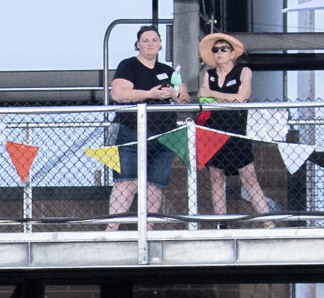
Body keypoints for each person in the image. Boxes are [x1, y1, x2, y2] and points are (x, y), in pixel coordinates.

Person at [106, 25, 184, 218]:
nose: (150, 44)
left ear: (160, 45)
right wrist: (150, 94)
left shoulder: (169, 70)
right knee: (126, 182)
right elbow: (118, 94)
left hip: (165, 134)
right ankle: (112, 230)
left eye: (154, 40)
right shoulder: (128, 65)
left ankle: (148, 227)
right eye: (146, 40)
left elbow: (185, 98)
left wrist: (173, 93)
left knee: (155, 184)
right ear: (138, 45)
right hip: (132, 130)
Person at [195, 31, 272, 218]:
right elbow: (203, 98)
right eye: (215, 49)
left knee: (249, 178)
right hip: (213, 131)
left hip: (237, 131)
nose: (219, 52)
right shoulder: (209, 74)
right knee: (216, 178)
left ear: (232, 53)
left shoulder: (243, 72)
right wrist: (222, 98)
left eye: (223, 49)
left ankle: (267, 221)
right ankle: (221, 222)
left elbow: (241, 98)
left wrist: (215, 95)